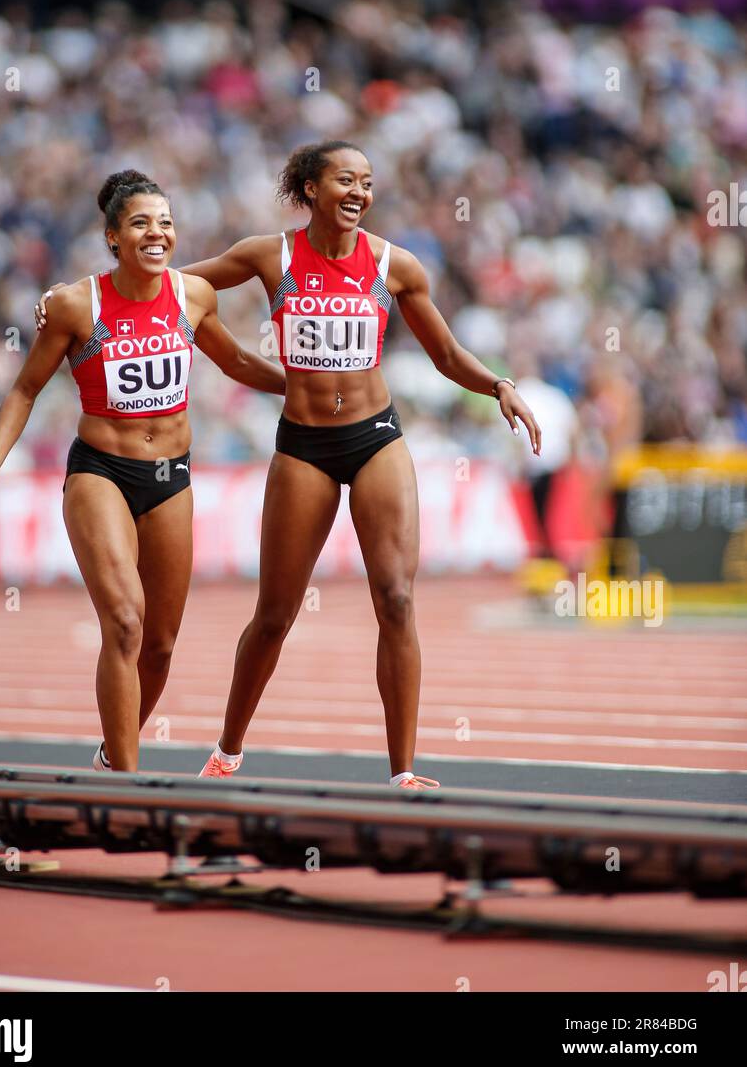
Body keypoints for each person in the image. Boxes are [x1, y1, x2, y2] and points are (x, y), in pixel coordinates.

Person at [40, 142, 541, 788]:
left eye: (367, 181)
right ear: (309, 189)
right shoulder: (266, 256)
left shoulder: (395, 266)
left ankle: (403, 772)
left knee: (395, 597)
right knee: (274, 615)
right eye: (344, 180)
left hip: (375, 438)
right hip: (303, 445)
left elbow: (444, 353)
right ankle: (227, 751)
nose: (359, 193)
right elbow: (164, 285)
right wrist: (78, 295)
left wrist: (498, 383)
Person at [0, 170, 285, 773]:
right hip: (100, 474)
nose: (156, 232)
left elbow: (236, 359)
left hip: (171, 478)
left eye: (165, 221)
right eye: (140, 222)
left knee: (159, 647)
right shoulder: (75, 304)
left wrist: (302, 388)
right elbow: (26, 389)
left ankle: (112, 759)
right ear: (112, 238)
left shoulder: (193, 295)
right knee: (126, 624)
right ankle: (127, 786)